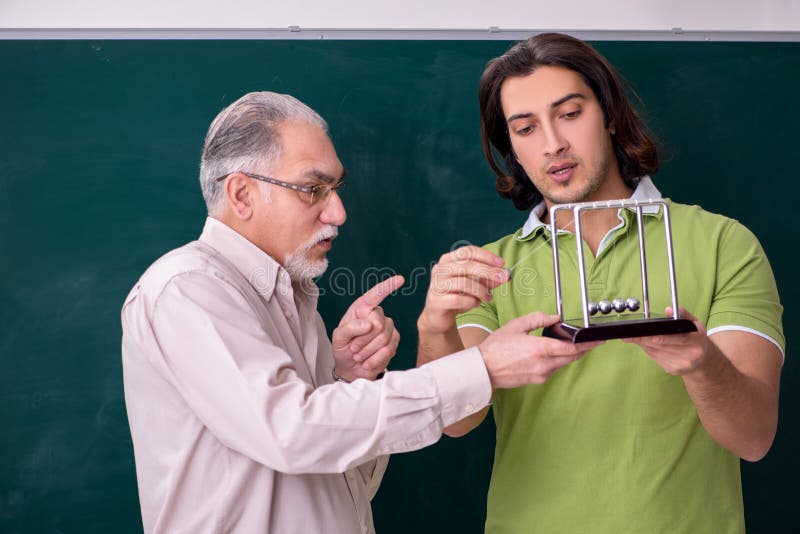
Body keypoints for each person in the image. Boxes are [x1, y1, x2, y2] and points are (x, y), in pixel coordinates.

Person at [121, 91, 598, 534]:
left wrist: (350, 380)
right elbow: (291, 433)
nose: (339, 213)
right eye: (314, 189)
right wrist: (481, 367)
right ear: (242, 194)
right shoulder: (188, 288)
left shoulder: (295, 296)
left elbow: (340, 481)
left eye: (336, 188)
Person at [416, 33, 784, 533]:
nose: (553, 144)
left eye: (570, 114)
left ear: (609, 114)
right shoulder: (492, 268)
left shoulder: (724, 244)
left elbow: (754, 438)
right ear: (512, 149)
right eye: (525, 128)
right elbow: (455, 421)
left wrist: (703, 365)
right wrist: (435, 325)